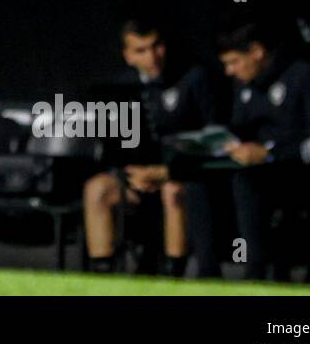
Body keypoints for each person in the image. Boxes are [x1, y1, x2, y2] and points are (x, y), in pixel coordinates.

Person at [82, 21, 220, 276]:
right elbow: (114, 146)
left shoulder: (194, 78)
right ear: (128, 55)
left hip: (182, 176)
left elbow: (214, 139)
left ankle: (171, 275)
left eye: (157, 46)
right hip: (138, 179)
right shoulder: (119, 88)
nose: (152, 56)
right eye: (141, 50)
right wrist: (131, 173)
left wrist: (167, 170)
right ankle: (101, 273)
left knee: (172, 191)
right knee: (97, 189)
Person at [215, 23, 310, 281]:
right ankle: (243, 272)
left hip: (301, 174)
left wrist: (270, 154)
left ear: (257, 52)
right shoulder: (244, 86)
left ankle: (261, 273)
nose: (230, 71)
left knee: (251, 180)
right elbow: (241, 129)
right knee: (230, 179)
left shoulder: (301, 75)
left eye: (235, 61)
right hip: (259, 174)